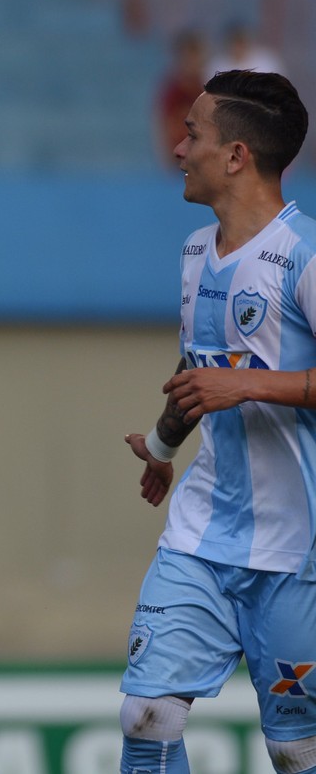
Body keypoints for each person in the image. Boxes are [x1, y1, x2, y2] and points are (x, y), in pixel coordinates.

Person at [122, 70, 316, 774]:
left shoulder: (304, 255)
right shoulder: (196, 251)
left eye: (193, 133)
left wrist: (250, 384)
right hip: (201, 536)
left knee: (296, 752)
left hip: (296, 552)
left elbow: (233, 379)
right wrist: (164, 444)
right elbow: (199, 368)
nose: (177, 148)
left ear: (236, 155)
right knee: (147, 717)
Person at [154, 29, 207, 169]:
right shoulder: (172, 90)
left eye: (194, 56)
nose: (191, 62)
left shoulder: (207, 88)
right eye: (187, 57)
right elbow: (162, 122)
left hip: (201, 157)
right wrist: (165, 154)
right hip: (177, 157)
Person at [208, 21, 285, 77]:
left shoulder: (267, 61)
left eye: (241, 42)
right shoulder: (217, 65)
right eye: (235, 43)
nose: (238, 47)